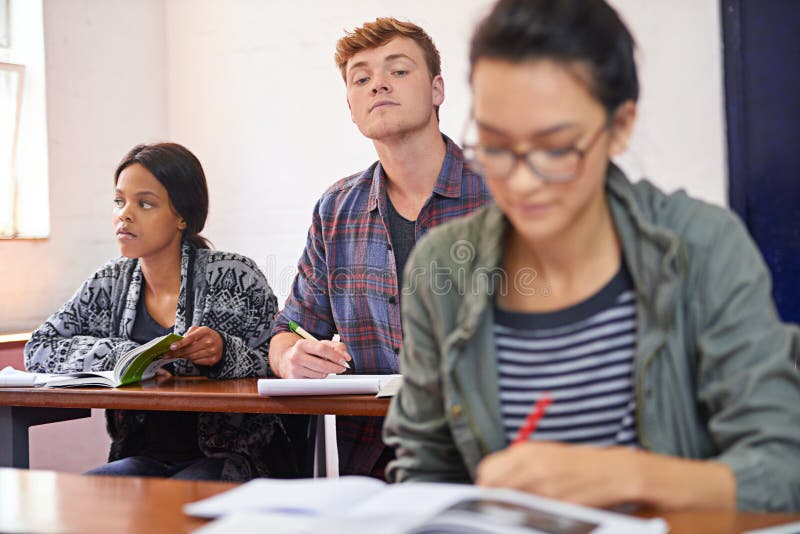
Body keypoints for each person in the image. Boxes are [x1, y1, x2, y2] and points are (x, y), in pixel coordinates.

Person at [384, 0, 800, 512]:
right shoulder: (442, 270)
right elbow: (424, 475)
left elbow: (784, 467)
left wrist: (632, 476)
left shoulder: (702, 248)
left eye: (556, 148)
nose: (521, 180)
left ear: (620, 126)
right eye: (494, 146)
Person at [269, 18, 491, 478]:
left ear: (437, 90)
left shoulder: (505, 194)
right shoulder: (336, 209)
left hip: (493, 456)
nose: (378, 85)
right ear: (351, 108)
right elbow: (289, 327)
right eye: (361, 78)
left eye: (398, 70)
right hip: (375, 464)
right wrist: (290, 357)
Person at [25, 143, 301, 481]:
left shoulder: (236, 276)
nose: (125, 214)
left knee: (176, 498)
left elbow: (280, 361)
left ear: (182, 216)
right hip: (144, 457)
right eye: (119, 201)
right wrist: (124, 356)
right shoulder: (109, 283)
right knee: (90, 492)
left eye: (144, 204)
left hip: (239, 456)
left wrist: (225, 352)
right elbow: (40, 347)